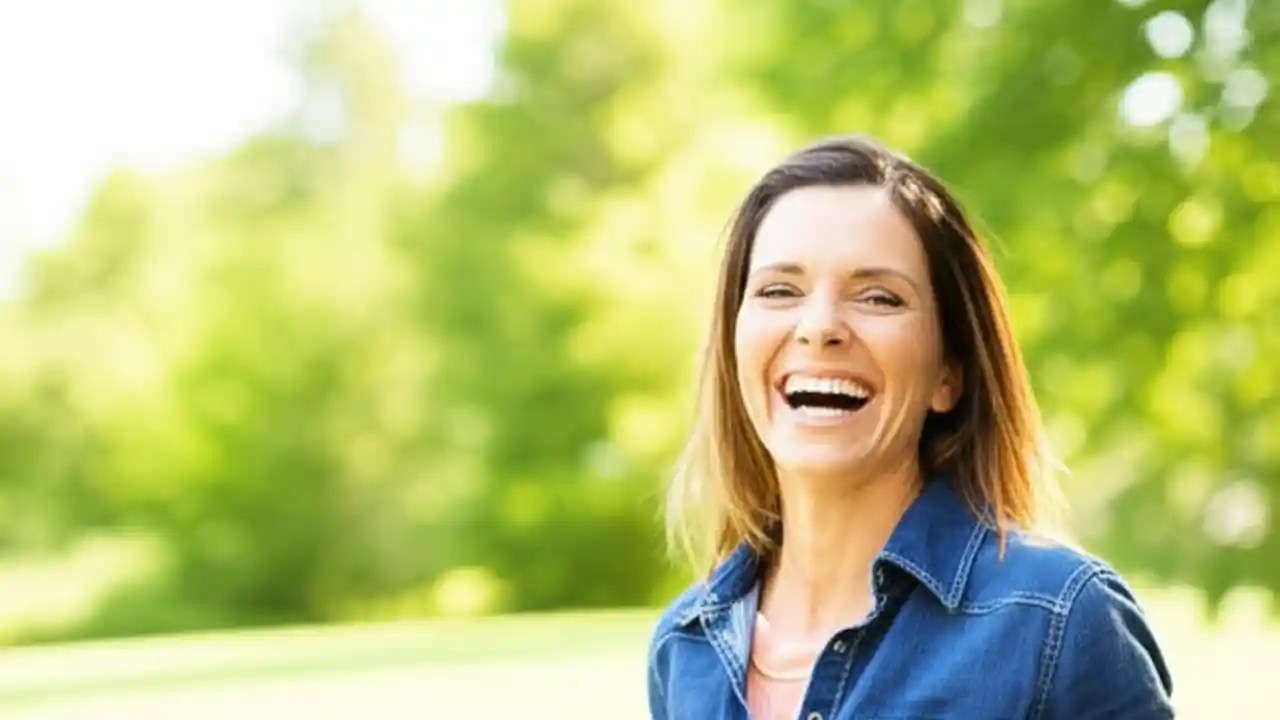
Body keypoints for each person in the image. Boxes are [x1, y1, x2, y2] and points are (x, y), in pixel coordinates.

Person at [647, 136, 1174, 719]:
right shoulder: (684, 649)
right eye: (779, 291)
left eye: (878, 298)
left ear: (948, 373)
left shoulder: (1059, 619)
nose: (819, 326)